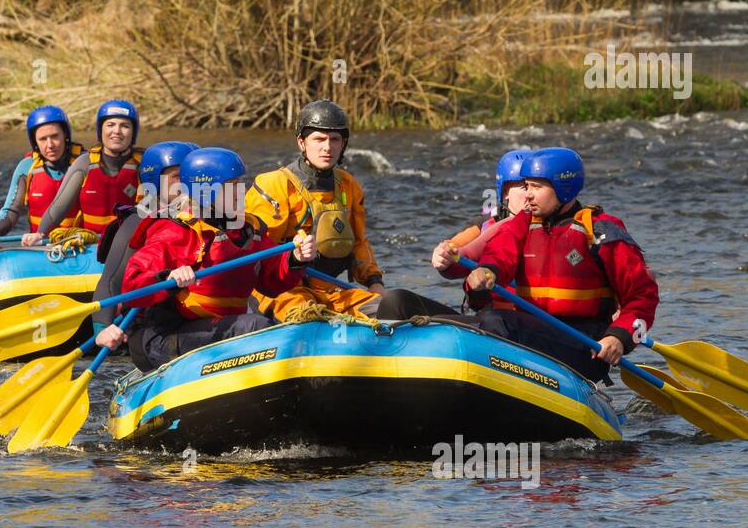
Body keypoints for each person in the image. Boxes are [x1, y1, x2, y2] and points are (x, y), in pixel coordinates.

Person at [463, 147, 659, 384]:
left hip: (583, 346)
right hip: (534, 333)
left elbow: (643, 297)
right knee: (439, 313)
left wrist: (619, 337)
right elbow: (500, 254)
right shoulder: (522, 224)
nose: (528, 195)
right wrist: (487, 271)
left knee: (496, 322)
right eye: (526, 186)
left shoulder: (599, 231)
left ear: (563, 188)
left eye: (537, 187)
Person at [247, 99, 451, 321]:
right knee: (310, 315)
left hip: (332, 293)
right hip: (280, 293)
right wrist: (293, 257)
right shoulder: (274, 185)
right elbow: (256, 251)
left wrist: (375, 282)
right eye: (319, 139)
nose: (327, 147)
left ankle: (465, 325)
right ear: (301, 142)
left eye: (335, 140)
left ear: (343, 144)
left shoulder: (348, 185)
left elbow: (358, 243)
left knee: (394, 306)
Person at [120, 147, 316, 369]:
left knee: (277, 327)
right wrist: (168, 278)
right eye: (231, 187)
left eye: (239, 184)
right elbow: (131, 286)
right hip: (164, 337)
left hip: (219, 327)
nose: (240, 193)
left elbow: (271, 282)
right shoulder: (175, 231)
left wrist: (295, 259)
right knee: (254, 325)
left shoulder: (246, 230)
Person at [93, 140, 199, 362]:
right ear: (155, 182)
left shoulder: (210, 216)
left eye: (192, 175)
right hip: (152, 330)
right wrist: (102, 329)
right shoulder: (137, 219)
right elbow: (110, 281)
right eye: (178, 177)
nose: (188, 184)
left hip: (196, 321)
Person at [22, 99, 143, 244]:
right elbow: (59, 206)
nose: (116, 131)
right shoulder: (84, 163)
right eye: (110, 125)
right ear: (101, 130)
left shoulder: (145, 164)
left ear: (133, 132)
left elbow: (155, 208)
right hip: (89, 244)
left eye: (125, 126)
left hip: (129, 243)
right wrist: (40, 233)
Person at [0, 105, 83, 251]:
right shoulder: (27, 168)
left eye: (55, 136)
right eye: (43, 139)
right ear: (35, 142)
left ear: (65, 134)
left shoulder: (85, 163)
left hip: (80, 245)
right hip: (40, 245)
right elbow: (11, 210)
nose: (50, 145)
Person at [431, 149, 531, 283]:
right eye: (525, 187)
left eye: (536, 186)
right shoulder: (485, 223)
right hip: (492, 301)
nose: (531, 194)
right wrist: (442, 255)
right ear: (506, 191)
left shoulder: (554, 225)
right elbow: (455, 247)